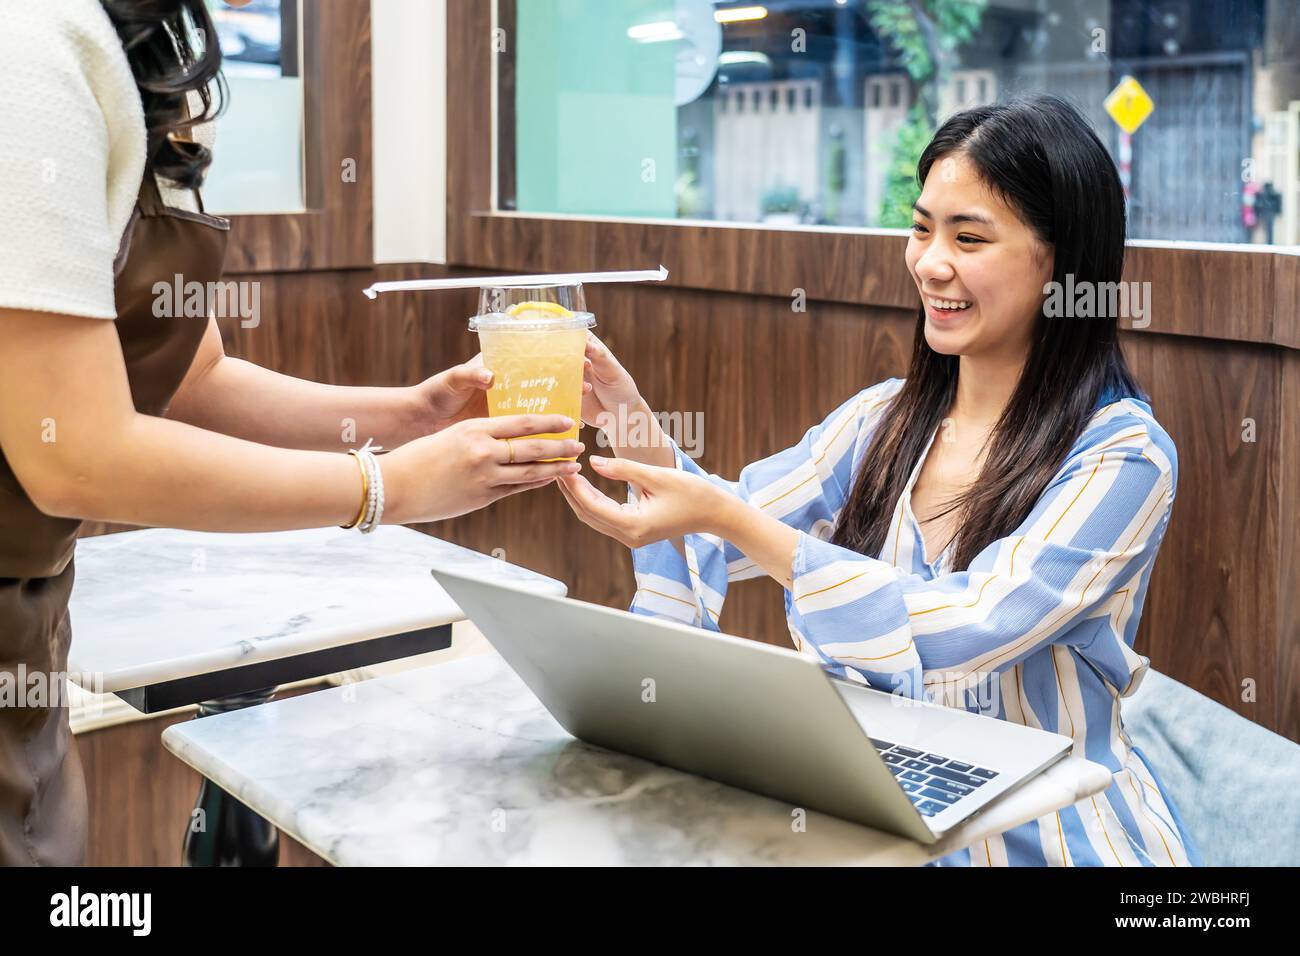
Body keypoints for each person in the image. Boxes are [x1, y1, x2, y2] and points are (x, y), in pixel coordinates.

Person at [0, 0, 582, 865]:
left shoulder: (137, 57)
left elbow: (194, 379)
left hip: (31, 627)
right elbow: (73, 455)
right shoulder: (34, 46)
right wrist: (390, 489)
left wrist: (409, 417)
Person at [560, 94, 1200, 866]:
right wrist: (631, 423)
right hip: (886, 825)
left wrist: (739, 526)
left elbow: (976, 624)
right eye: (922, 227)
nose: (931, 262)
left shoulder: (1125, 455)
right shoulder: (882, 422)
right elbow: (719, 522)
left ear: (1061, 263)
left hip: (1056, 841)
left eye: (969, 237)